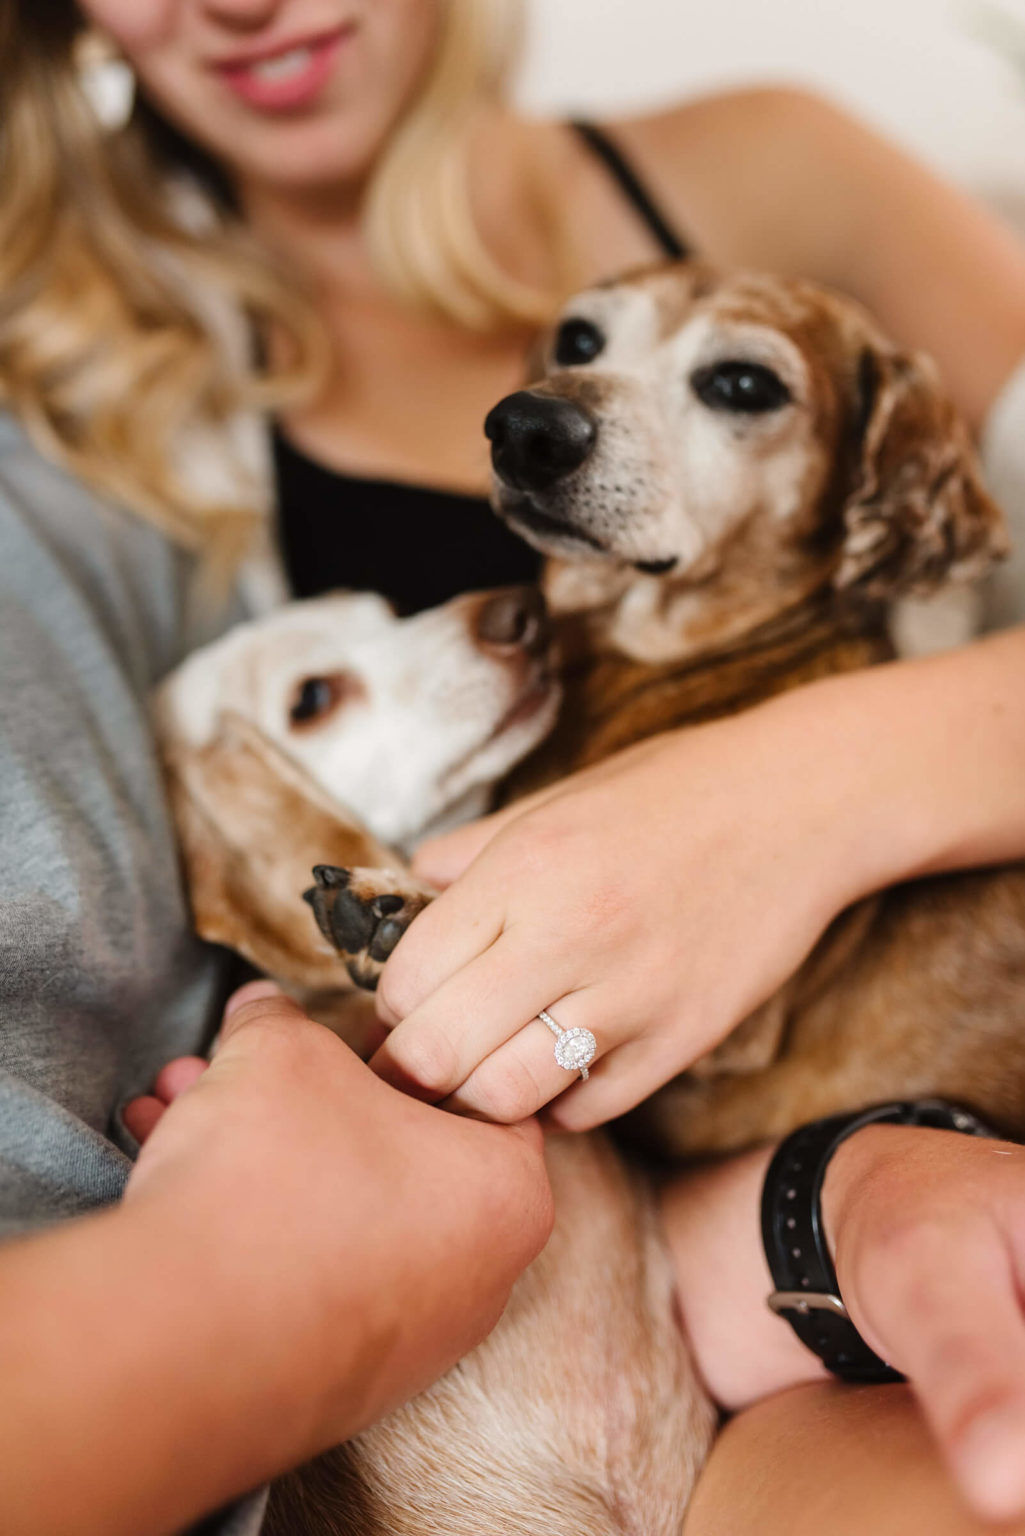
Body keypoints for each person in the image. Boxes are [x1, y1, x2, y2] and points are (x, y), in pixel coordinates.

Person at [3, 0, 1025, 1529]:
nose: (238, 5)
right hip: (698, 1275)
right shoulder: (81, 367)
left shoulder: (779, 168)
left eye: (735, 385)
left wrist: (801, 796)